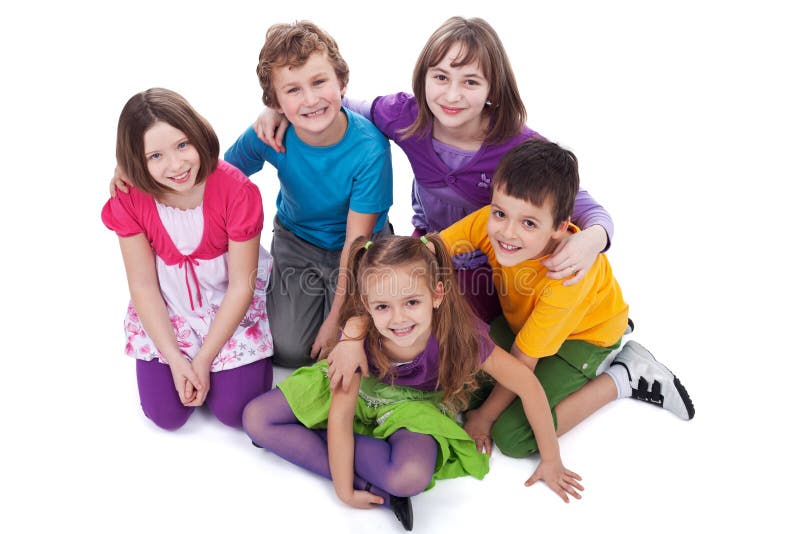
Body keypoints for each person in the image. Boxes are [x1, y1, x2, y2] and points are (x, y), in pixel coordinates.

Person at [255, 16, 613, 322]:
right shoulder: (406, 117)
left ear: (493, 89)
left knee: (438, 329)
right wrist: (279, 109)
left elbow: (580, 203)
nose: (452, 95)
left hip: (491, 266)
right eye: (440, 77)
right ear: (423, 78)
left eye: (470, 82)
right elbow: (333, 103)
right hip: (428, 247)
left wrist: (592, 240)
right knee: (384, 313)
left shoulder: (516, 144)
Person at [242, 234, 584, 531]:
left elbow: (527, 384)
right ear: (366, 305)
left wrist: (551, 458)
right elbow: (341, 416)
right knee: (256, 418)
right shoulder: (357, 340)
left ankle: (303, 440)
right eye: (383, 306)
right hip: (359, 394)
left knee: (409, 476)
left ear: (436, 294)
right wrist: (345, 488)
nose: (399, 319)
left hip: (412, 406)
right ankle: (366, 481)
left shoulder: (460, 338)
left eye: (412, 302)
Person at [438, 138, 695, 459]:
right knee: (464, 375)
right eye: (500, 213)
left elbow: (522, 361)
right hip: (526, 325)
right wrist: (377, 261)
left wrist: (484, 419)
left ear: (560, 227)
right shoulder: (488, 223)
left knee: (513, 437)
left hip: (582, 338)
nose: (507, 232)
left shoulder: (566, 280)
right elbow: (431, 252)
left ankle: (623, 376)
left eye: (529, 223)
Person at [101, 88, 273, 430]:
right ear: (136, 161)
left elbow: (241, 284)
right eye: (155, 156)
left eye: (182, 145)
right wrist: (178, 361)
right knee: (166, 415)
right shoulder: (131, 197)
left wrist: (205, 360)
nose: (176, 165)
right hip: (171, 306)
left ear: (198, 134)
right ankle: (185, 364)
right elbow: (143, 284)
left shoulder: (235, 191)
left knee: (235, 411)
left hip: (228, 302)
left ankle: (232, 367)